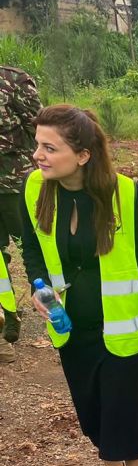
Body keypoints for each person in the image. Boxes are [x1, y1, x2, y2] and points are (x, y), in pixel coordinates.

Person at [20, 105, 138, 466]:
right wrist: (38, 286)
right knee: (89, 406)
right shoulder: (36, 187)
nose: (38, 154)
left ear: (83, 155)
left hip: (122, 324)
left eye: (49, 147)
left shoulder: (124, 193)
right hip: (68, 324)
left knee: (123, 406)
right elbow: (32, 249)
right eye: (38, 144)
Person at [0, 65, 41, 364]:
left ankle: (56, 308)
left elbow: (39, 129)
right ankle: (8, 316)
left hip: (16, 185)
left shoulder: (13, 81)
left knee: (33, 246)